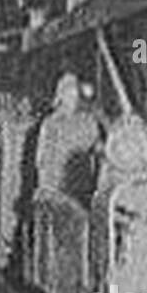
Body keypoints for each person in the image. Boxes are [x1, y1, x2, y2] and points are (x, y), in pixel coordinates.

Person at [34, 73, 102, 205]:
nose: (73, 97)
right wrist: (47, 189)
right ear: (60, 96)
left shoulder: (87, 121)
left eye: (74, 92)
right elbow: (43, 160)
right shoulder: (51, 124)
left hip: (82, 189)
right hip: (57, 189)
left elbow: (98, 148)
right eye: (68, 93)